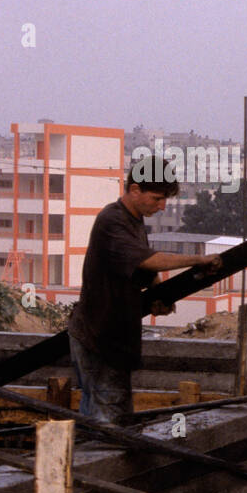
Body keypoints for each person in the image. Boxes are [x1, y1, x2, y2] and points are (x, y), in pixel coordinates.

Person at [68, 158, 221, 424]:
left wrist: (157, 292)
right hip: (99, 337)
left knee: (112, 417)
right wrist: (198, 259)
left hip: (114, 335)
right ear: (135, 190)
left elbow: (140, 270)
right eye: (157, 198)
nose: (162, 206)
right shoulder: (112, 220)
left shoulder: (134, 221)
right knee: (107, 422)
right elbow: (148, 260)